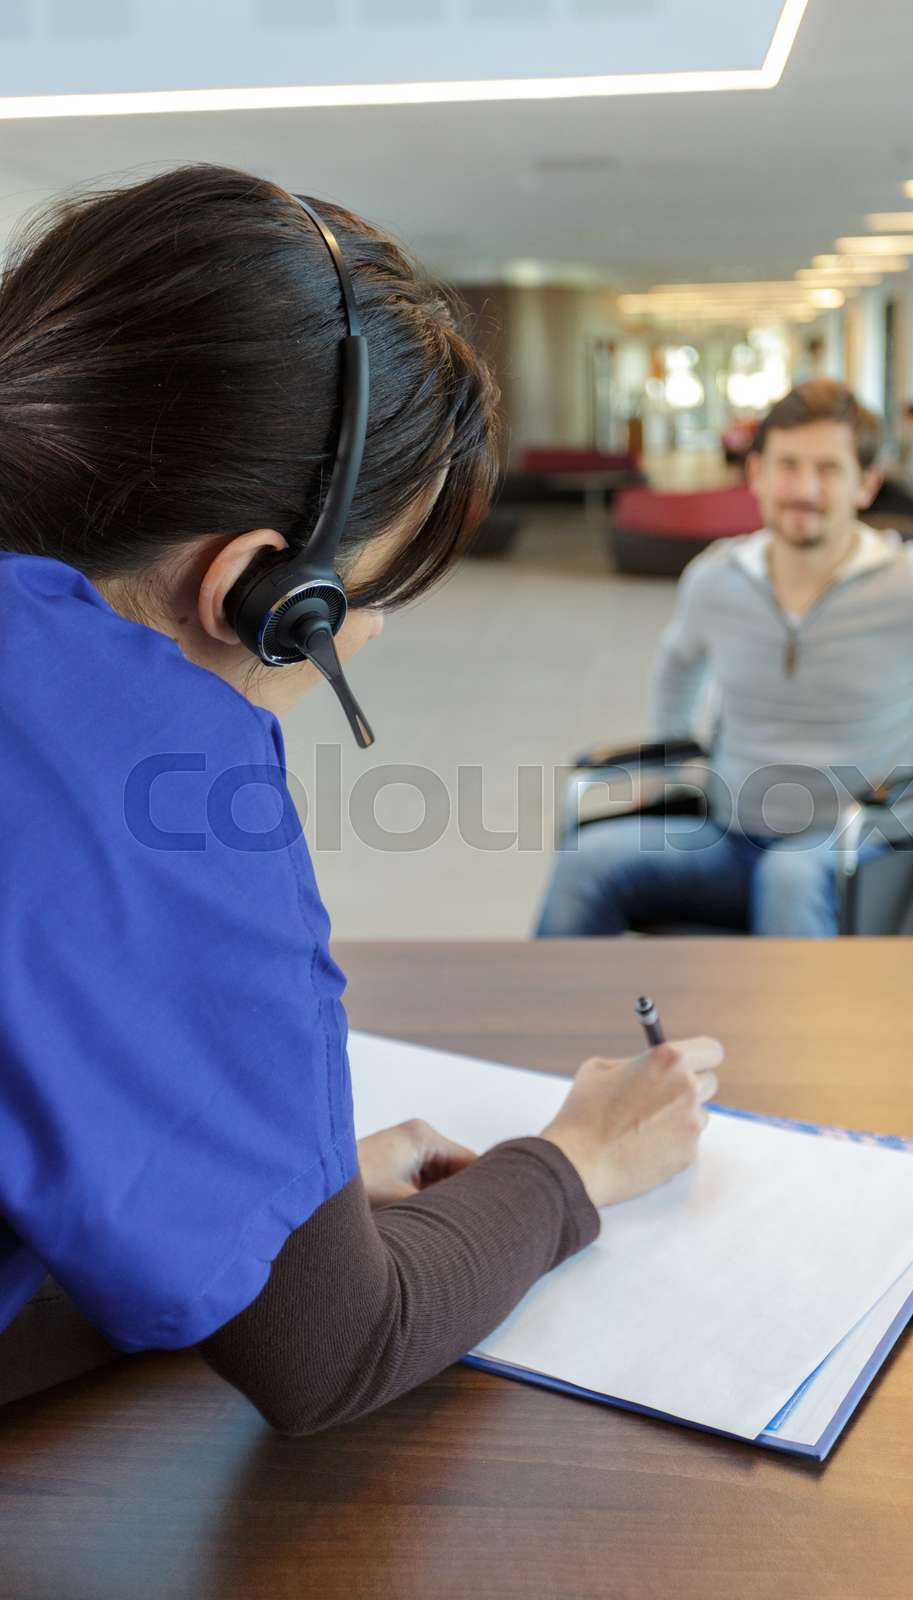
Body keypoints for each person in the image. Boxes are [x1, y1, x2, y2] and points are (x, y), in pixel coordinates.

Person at [0, 164, 723, 1427]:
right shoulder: (135, 778)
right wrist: (574, 1162)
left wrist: (247, 1211)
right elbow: (336, 1349)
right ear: (258, 589)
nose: (372, 633)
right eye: (368, 594)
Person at [535, 379, 913, 939]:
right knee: (588, 859)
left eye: (829, 469)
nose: (805, 488)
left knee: (789, 874)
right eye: (787, 465)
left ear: (867, 484)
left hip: (863, 849)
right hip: (730, 836)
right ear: (756, 474)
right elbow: (678, 662)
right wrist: (666, 765)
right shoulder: (717, 579)